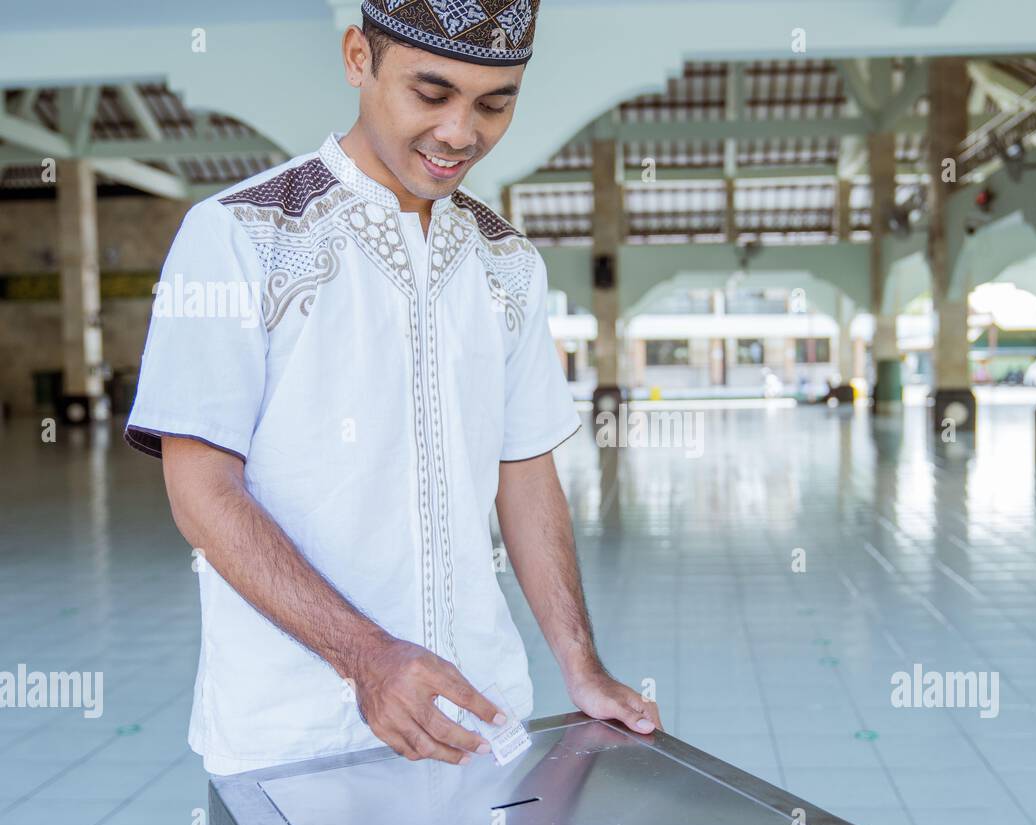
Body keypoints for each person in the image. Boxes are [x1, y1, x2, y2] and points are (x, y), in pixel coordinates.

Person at [124, 0, 660, 776]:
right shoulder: (238, 236)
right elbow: (202, 490)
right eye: (431, 93)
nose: (459, 133)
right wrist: (367, 659)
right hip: (296, 736)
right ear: (357, 60)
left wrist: (581, 665)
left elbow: (525, 469)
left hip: (479, 720)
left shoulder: (507, 262)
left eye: (494, 102)